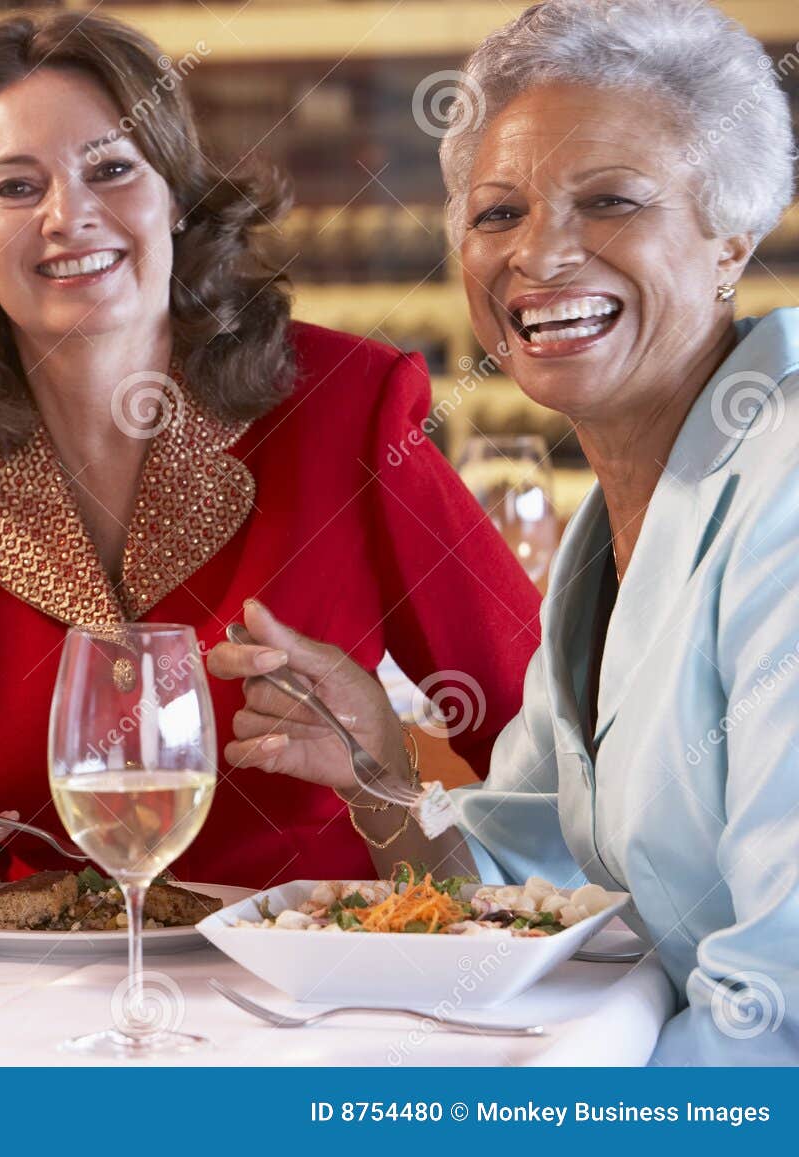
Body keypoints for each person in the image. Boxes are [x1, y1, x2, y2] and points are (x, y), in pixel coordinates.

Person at [0, 11, 541, 903]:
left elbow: (539, 731)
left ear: (176, 198)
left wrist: (385, 775)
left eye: (112, 169)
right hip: (40, 998)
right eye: (15, 187)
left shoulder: (347, 408)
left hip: (307, 985)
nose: (66, 216)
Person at [211, 0, 799, 1065]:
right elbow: (505, 892)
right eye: (496, 213)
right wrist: (379, 776)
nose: (538, 253)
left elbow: (780, 1004)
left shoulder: (788, 491)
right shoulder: (613, 522)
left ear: (732, 238)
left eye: (609, 201)